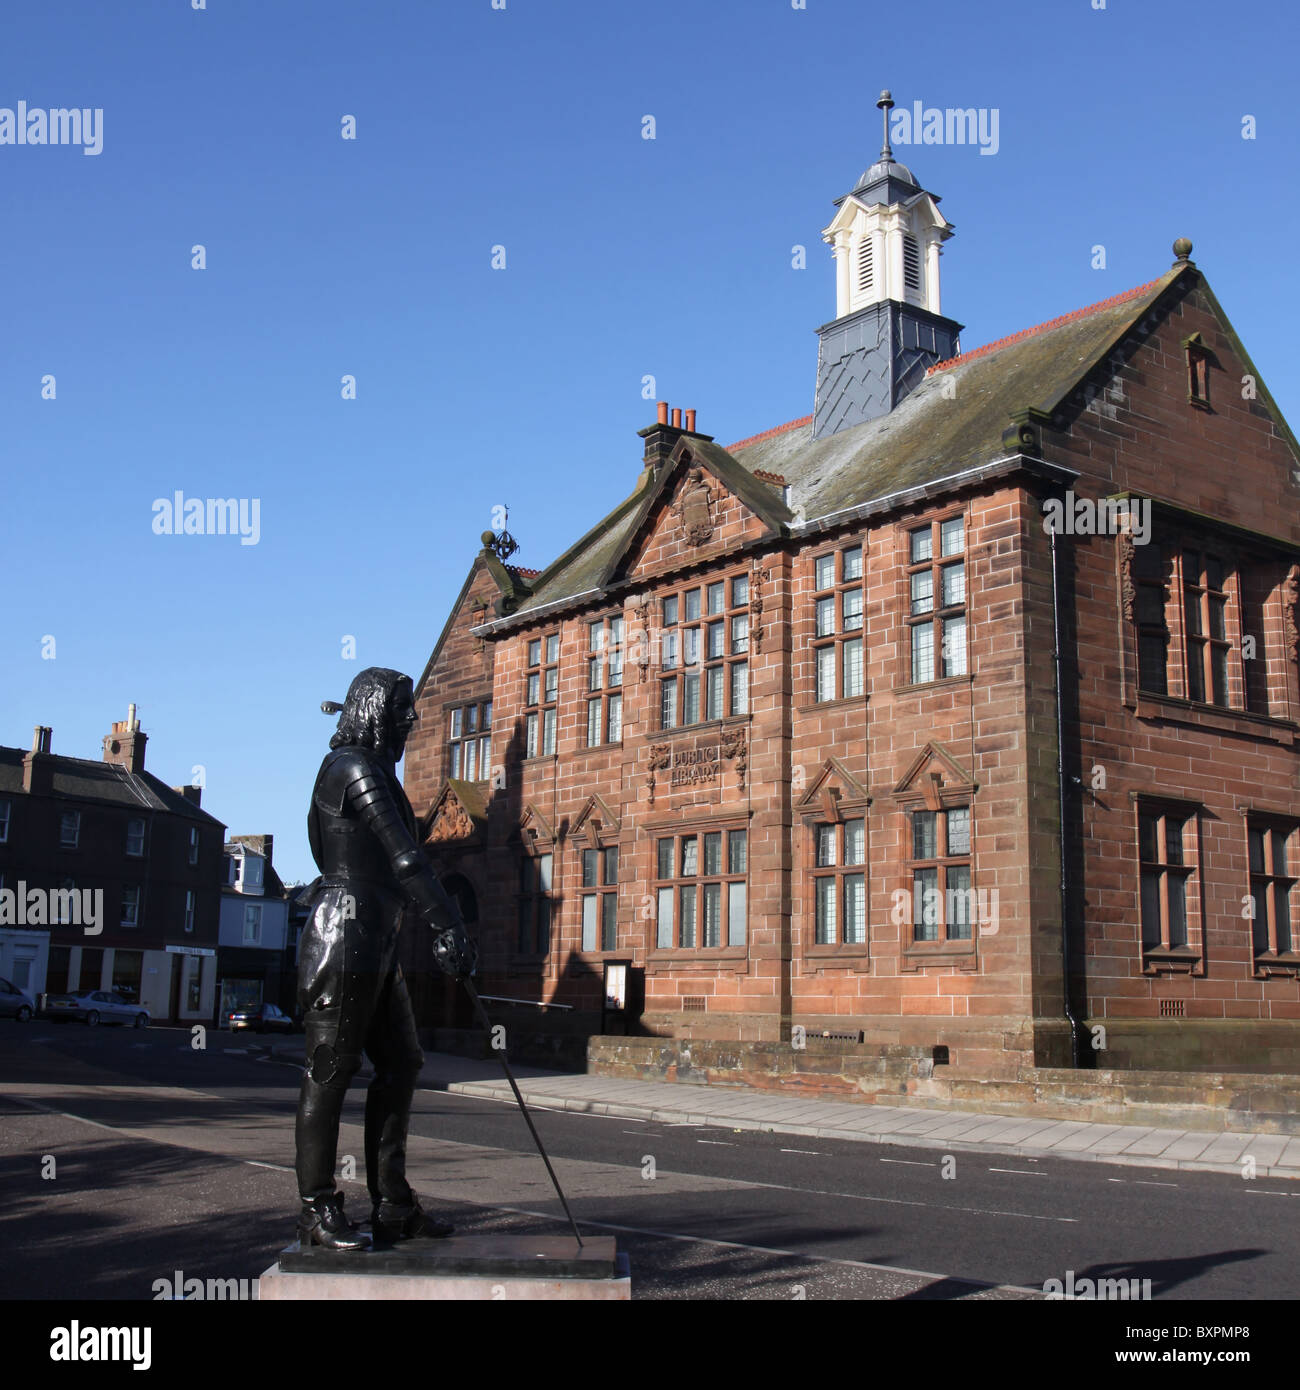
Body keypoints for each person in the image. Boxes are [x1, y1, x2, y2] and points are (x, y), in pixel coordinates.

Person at [295, 667, 477, 1251]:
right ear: (372, 709)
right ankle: (317, 1208)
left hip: (379, 936)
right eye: (400, 709)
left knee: (403, 1063)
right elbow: (403, 859)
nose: (409, 720)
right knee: (330, 1072)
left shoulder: (383, 778)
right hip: (344, 934)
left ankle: (393, 1203)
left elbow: (402, 864)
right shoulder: (351, 768)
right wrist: (448, 922)